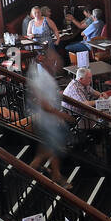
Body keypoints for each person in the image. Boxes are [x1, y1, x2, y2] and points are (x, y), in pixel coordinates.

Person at [27, 46, 72, 187]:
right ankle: (50, 175)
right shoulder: (41, 78)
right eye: (54, 59)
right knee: (49, 150)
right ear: (43, 59)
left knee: (48, 151)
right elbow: (44, 104)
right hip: (47, 122)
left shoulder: (46, 75)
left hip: (49, 122)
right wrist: (63, 115)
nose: (57, 62)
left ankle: (53, 174)